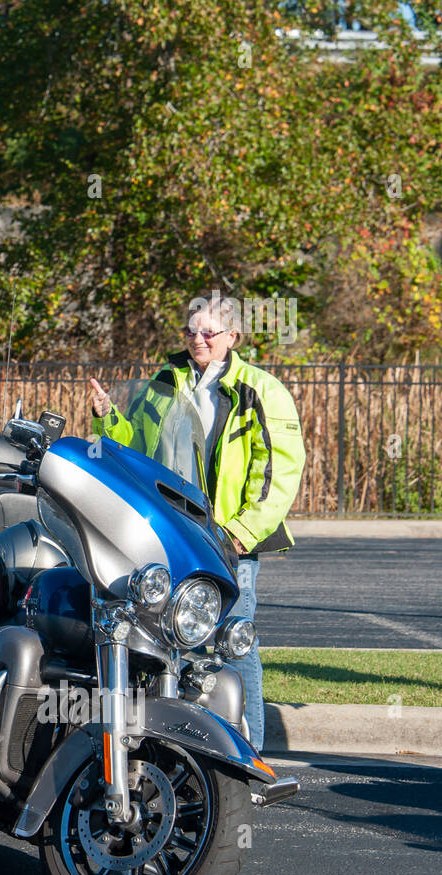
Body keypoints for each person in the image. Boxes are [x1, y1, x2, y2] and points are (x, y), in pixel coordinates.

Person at [86, 290, 305, 746]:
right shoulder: (164, 384)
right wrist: (107, 418)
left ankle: (249, 751)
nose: (198, 339)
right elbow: (135, 450)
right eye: (191, 331)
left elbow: (280, 472)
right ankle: (185, 748)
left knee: (231, 645)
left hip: (229, 542)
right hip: (172, 536)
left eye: (208, 332)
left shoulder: (261, 390)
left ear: (233, 336)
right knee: (170, 640)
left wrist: (241, 534)